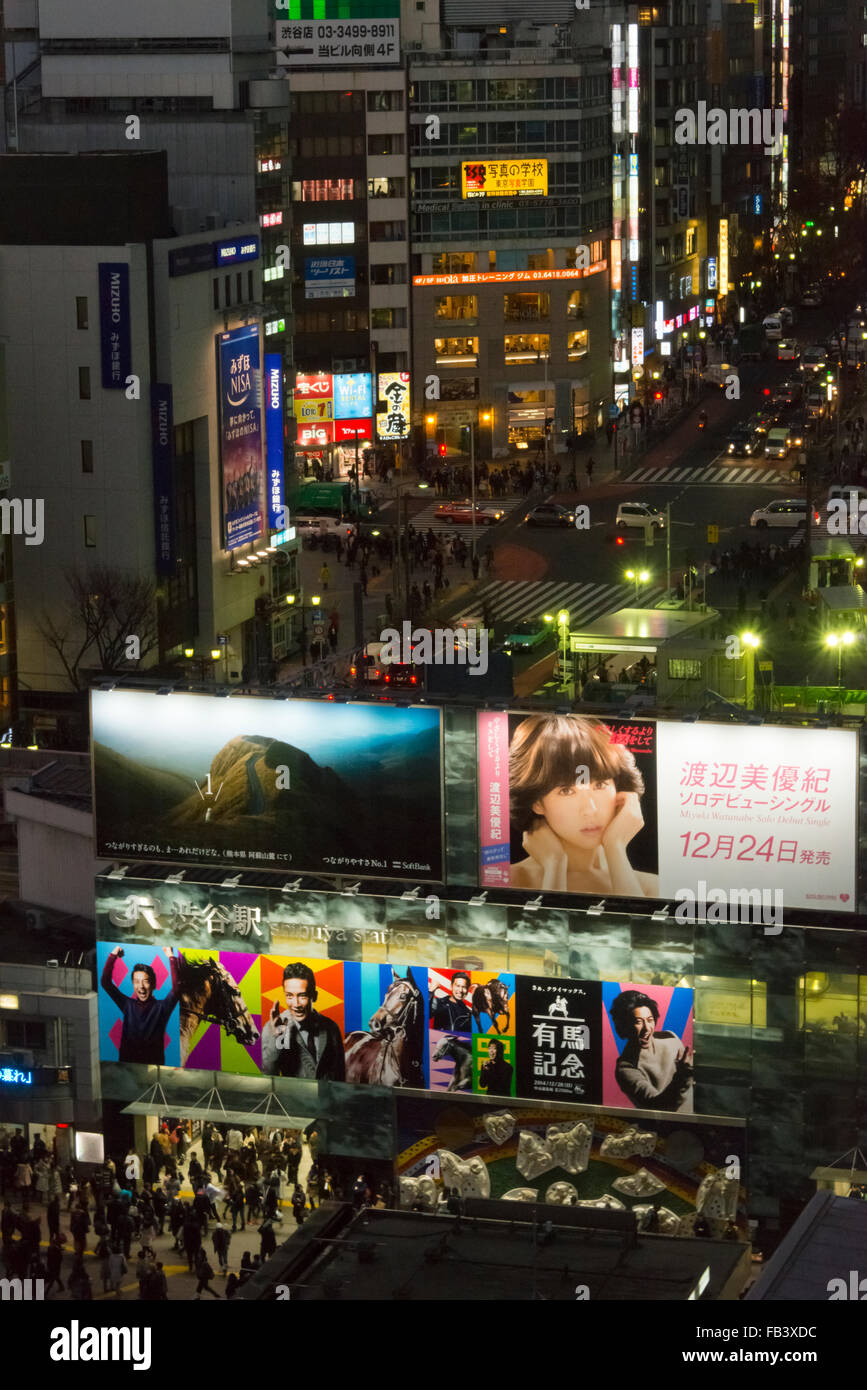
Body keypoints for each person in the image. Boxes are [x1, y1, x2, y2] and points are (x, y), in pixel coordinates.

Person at [507, 714, 659, 897]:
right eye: (566, 791)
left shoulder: (650, 887)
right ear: (537, 802)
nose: (590, 809)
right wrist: (554, 865)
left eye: (600, 785)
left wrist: (615, 847)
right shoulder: (509, 880)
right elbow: (550, 924)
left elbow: (638, 925)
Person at [609, 989, 694, 1113]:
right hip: (666, 1128)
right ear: (624, 1025)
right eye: (638, 1022)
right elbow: (657, 1106)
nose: (646, 1028)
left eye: (650, 1020)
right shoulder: (626, 1069)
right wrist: (683, 1076)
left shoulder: (670, 1037)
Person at [261, 962, 346, 1079]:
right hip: (294, 1097)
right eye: (289, 996)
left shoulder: (331, 1027)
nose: (296, 1004)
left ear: (314, 996)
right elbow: (269, 1074)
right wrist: (278, 1038)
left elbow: (340, 1074)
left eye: (302, 996)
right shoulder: (273, 1027)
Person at [100, 945, 182, 1064]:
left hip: (153, 1068)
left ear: (153, 985)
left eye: (146, 981)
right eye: (137, 982)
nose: (141, 986)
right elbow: (105, 983)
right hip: (127, 1069)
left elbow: (177, 988)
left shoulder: (162, 1008)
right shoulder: (127, 1005)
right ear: (133, 984)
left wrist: (170, 956)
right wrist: (114, 954)